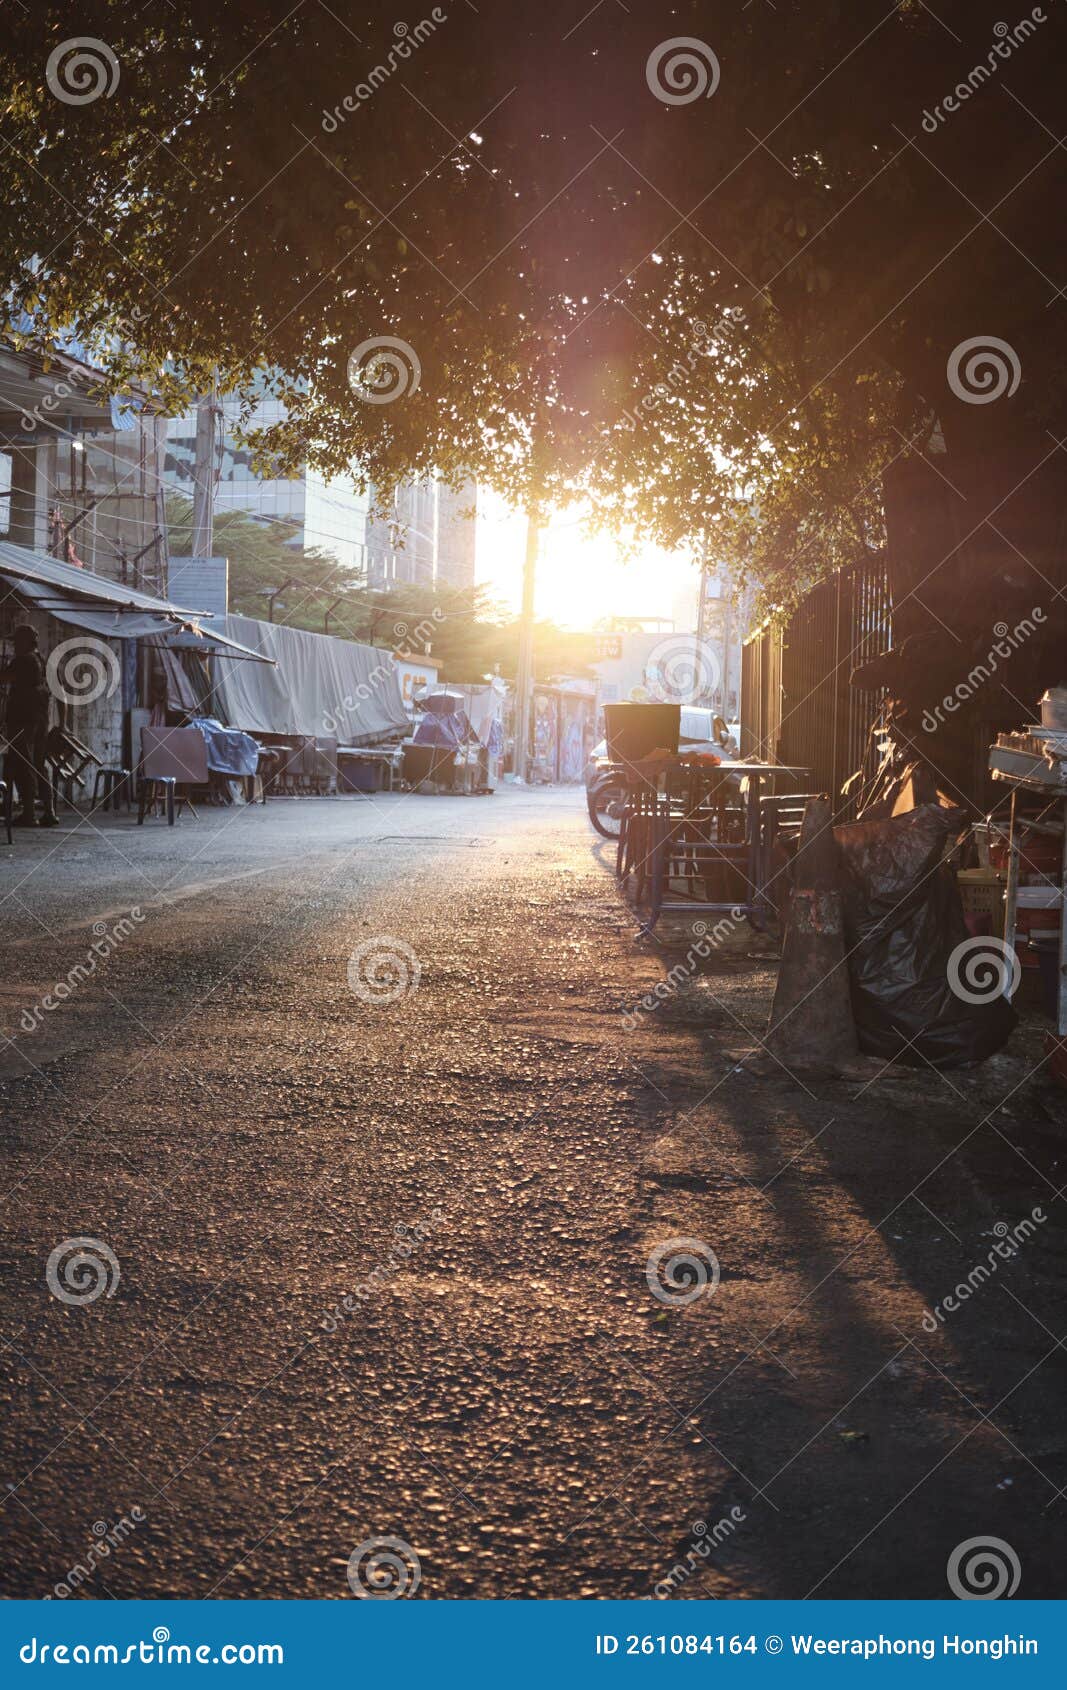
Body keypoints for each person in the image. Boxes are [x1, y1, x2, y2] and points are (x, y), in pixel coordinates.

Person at [2, 624, 58, 827]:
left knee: (23, 765)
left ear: (25, 641)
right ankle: (49, 811)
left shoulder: (23, 660)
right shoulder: (42, 661)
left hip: (23, 720)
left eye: (16, 641)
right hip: (40, 720)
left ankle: (29, 813)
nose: (14, 645)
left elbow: (4, 678)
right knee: (39, 764)